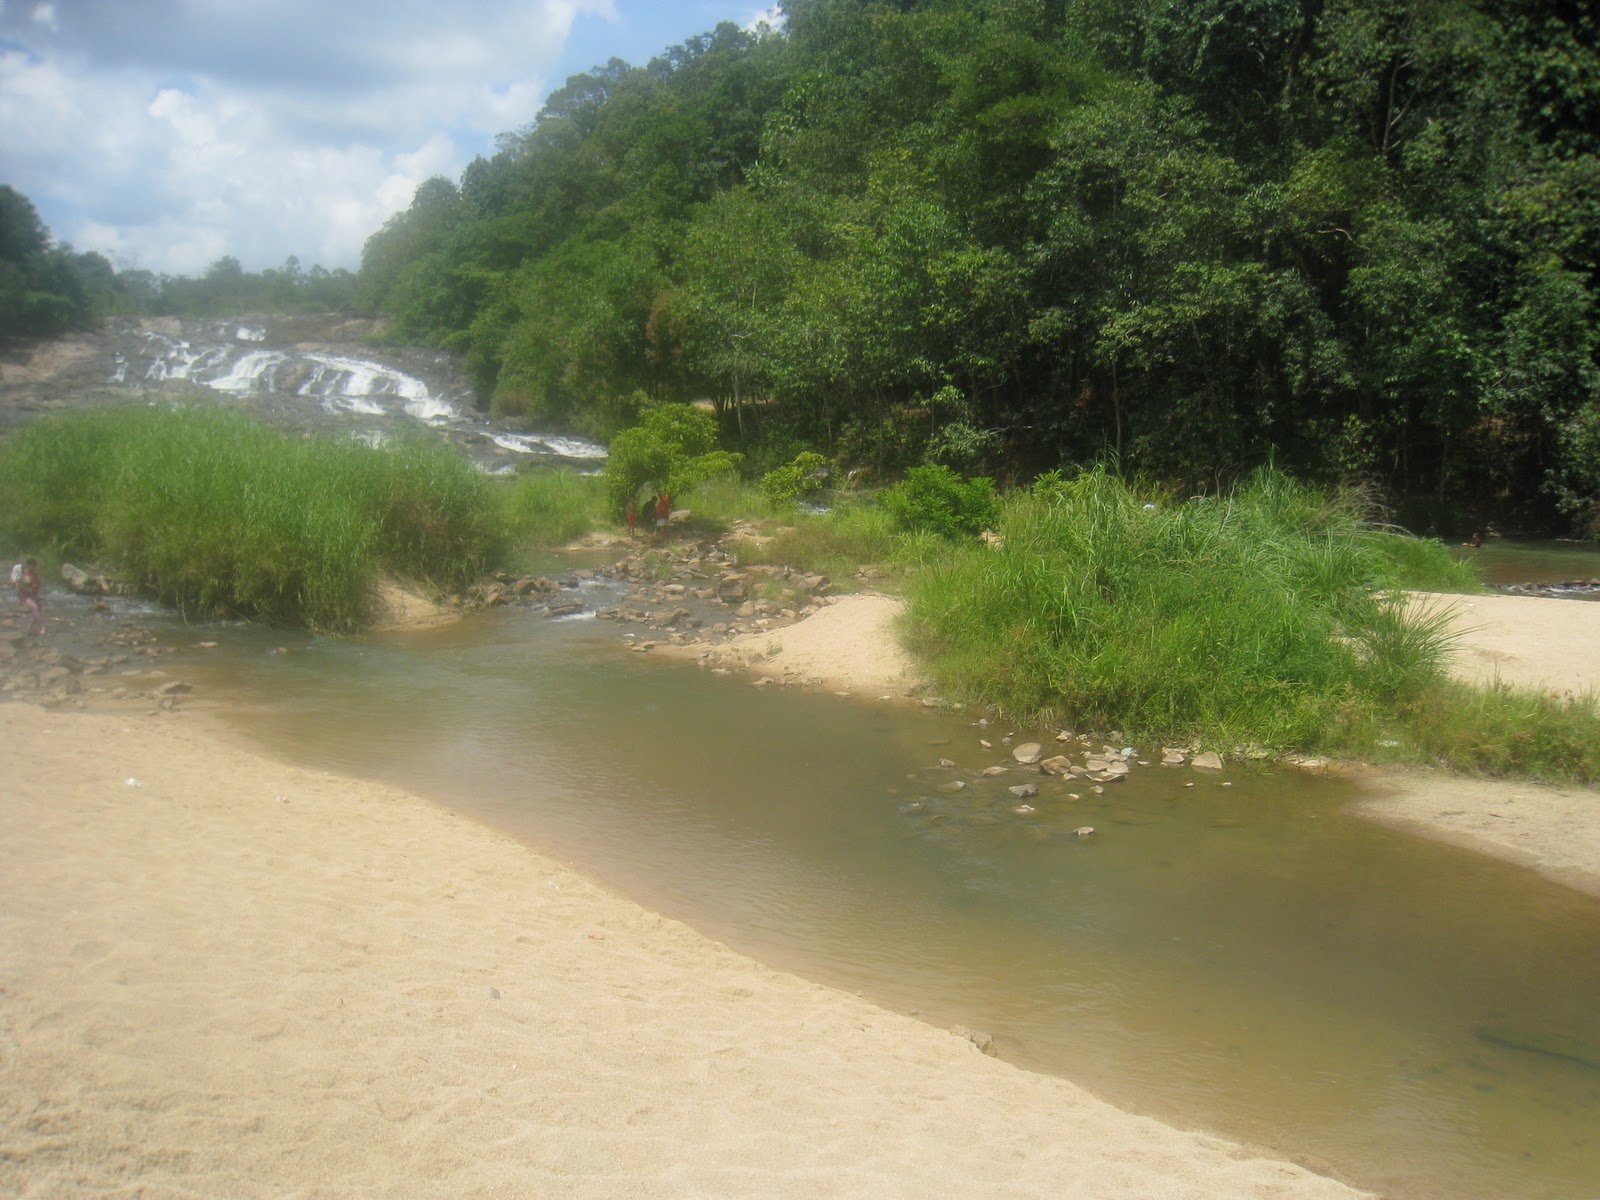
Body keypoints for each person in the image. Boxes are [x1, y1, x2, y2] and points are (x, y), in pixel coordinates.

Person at [16, 557, 43, 636]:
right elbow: (21, 587)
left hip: (33, 595)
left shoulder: (35, 574)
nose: (33, 568)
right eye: (32, 566)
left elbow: (38, 585)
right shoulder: (26, 574)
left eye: (34, 566)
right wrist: (20, 599)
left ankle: (29, 629)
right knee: (35, 608)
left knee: (36, 611)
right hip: (26, 596)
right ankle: (41, 627)